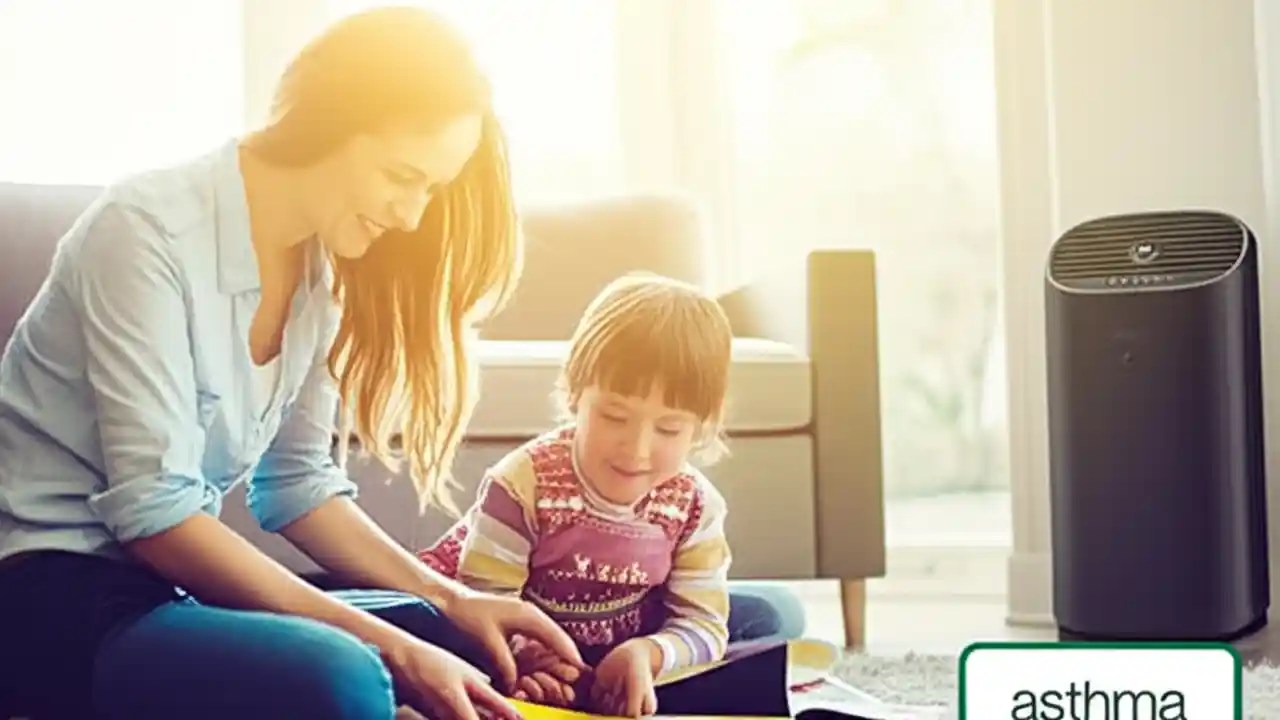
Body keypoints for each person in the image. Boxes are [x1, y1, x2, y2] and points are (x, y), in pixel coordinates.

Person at [0, 7, 583, 720]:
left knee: (457, 643)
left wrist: (456, 601)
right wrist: (393, 653)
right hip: (47, 587)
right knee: (345, 675)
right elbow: (155, 516)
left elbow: (296, 485)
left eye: (431, 189)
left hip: (160, 592)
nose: (410, 216)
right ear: (325, 122)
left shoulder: (321, 272)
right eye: (403, 176)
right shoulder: (142, 229)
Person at [417, 273, 805, 717]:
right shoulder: (522, 484)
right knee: (436, 640)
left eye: (669, 428)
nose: (636, 449)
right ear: (574, 395)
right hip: (499, 629)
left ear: (702, 426)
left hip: (624, 636)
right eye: (614, 416)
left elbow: (702, 622)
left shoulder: (694, 506)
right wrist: (531, 661)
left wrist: (647, 654)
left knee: (776, 616)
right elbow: (487, 604)